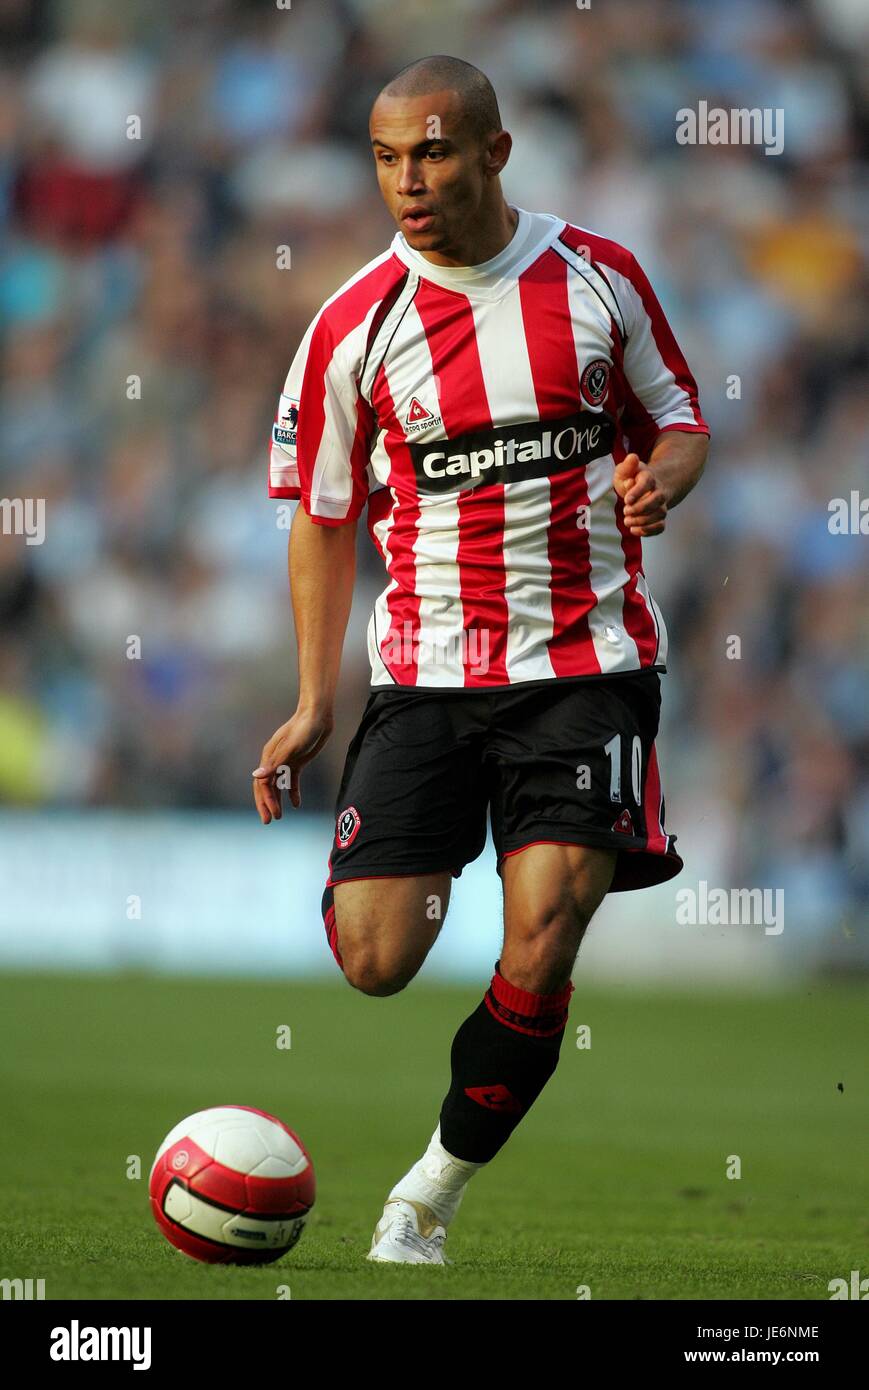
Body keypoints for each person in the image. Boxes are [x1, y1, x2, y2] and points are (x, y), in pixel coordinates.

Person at [254, 54, 709, 1264]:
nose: (408, 181)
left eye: (435, 151)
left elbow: (679, 421)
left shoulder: (598, 277)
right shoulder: (352, 323)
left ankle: (427, 1194)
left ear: (495, 153)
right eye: (387, 157)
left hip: (585, 664)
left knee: (547, 920)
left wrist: (653, 484)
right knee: (374, 957)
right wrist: (311, 703)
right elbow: (321, 513)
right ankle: (472, 904)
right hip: (425, 676)